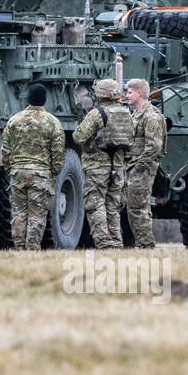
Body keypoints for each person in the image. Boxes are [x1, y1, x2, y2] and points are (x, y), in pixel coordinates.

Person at [0, 83, 66, 249]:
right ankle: (32, 248)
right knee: (37, 215)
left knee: (19, 214)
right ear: (44, 100)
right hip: (41, 174)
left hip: (17, 173)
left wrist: (10, 170)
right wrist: (53, 173)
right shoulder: (53, 122)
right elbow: (57, 153)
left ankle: (20, 248)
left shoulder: (13, 120)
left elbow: (5, 150)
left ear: (28, 99)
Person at [72, 78, 132, 249]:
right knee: (112, 206)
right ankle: (116, 242)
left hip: (97, 166)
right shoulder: (126, 113)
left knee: (95, 205)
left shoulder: (98, 113)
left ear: (101, 94)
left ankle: (104, 244)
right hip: (118, 167)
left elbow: (78, 137)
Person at [124, 78, 166, 249]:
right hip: (135, 166)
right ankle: (143, 243)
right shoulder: (137, 114)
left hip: (142, 168)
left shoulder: (150, 116)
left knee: (137, 208)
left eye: (129, 92)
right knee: (138, 206)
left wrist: (139, 165)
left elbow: (155, 145)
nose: (126, 95)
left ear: (139, 93)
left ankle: (146, 244)